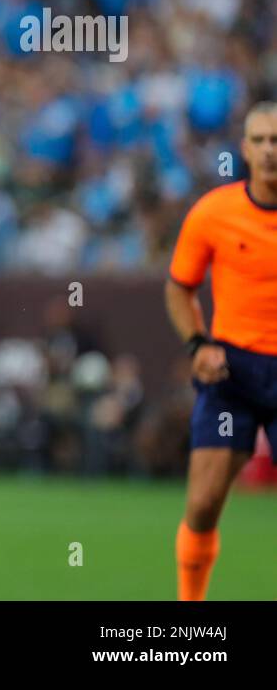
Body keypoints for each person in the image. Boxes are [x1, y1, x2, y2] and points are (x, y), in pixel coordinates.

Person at [165, 100, 277, 600]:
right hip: (231, 373)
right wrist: (197, 344)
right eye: (260, 140)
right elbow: (179, 286)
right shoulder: (214, 211)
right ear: (245, 150)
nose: (270, 150)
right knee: (204, 503)